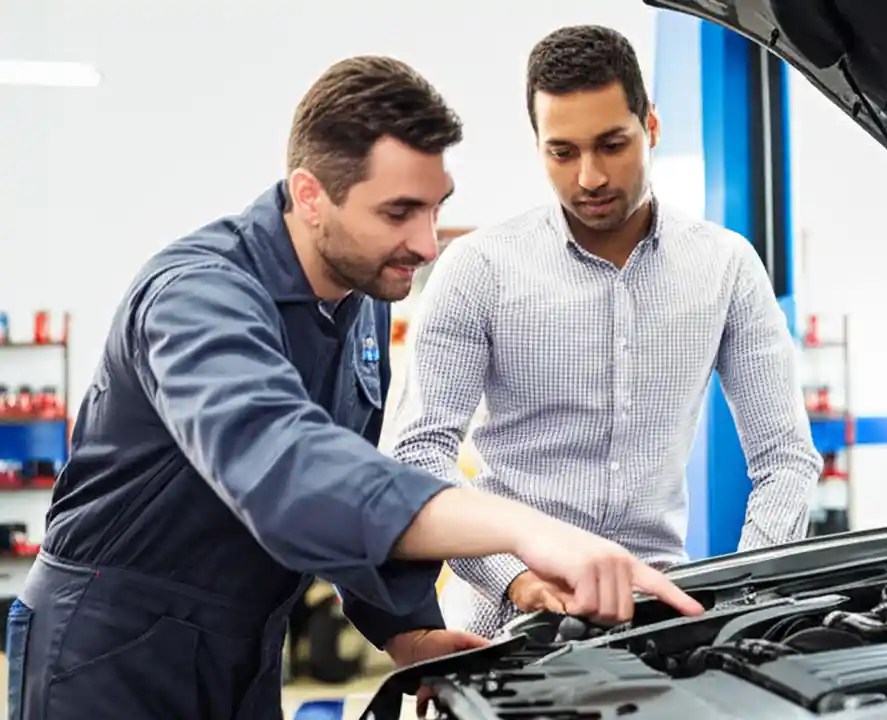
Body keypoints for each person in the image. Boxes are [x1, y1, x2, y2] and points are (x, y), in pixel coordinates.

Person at [4, 55, 701, 720]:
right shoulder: (197, 297)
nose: (429, 245)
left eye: (436, 208)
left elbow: (352, 487)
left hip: (244, 644)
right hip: (109, 650)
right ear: (311, 196)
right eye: (399, 213)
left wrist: (407, 630)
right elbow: (294, 471)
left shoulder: (361, 297)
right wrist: (528, 529)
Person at [391, 25, 822, 638]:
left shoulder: (725, 267)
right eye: (562, 153)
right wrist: (515, 575)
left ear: (651, 127)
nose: (589, 177)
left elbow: (786, 456)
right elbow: (418, 456)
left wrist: (740, 597)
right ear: (537, 145)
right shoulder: (478, 270)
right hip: (499, 618)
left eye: (612, 144)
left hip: (659, 613)